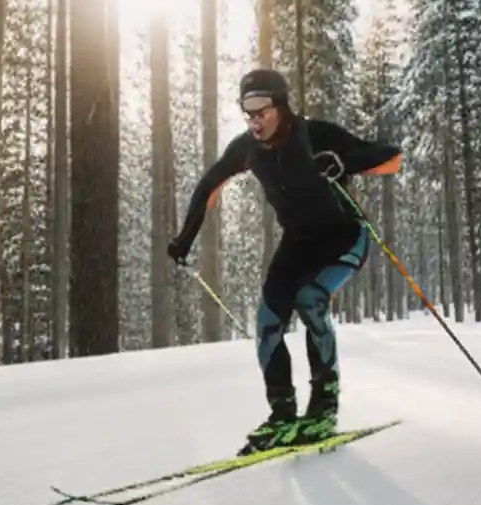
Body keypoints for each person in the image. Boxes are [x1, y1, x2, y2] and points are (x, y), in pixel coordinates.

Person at [167, 68, 402, 454]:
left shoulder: (316, 136)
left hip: (345, 237)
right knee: (268, 318)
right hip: (298, 243)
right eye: (248, 111)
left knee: (310, 300)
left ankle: (323, 408)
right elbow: (209, 184)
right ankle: (283, 415)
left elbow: (389, 159)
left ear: (282, 105)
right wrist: (185, 238)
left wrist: (345, 165)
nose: (255, 120)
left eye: (262, 109)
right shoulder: (247, 147)